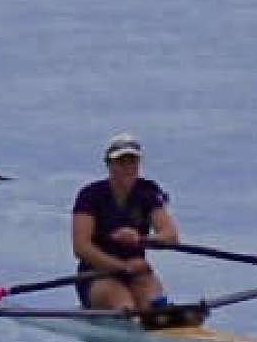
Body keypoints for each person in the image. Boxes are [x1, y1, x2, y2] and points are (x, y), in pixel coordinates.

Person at [71, 133, 182, 311]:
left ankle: (160, 321)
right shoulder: (89, 196)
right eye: (121, 162)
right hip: (97, 275)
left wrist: (142, 240)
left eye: (133, 161)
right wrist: (121, 267)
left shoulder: (147, 192)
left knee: (156, 307)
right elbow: (81, 248)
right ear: (109, 164)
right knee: (124, 305)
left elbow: (171, 236)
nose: (128, 167)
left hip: (138, 273)